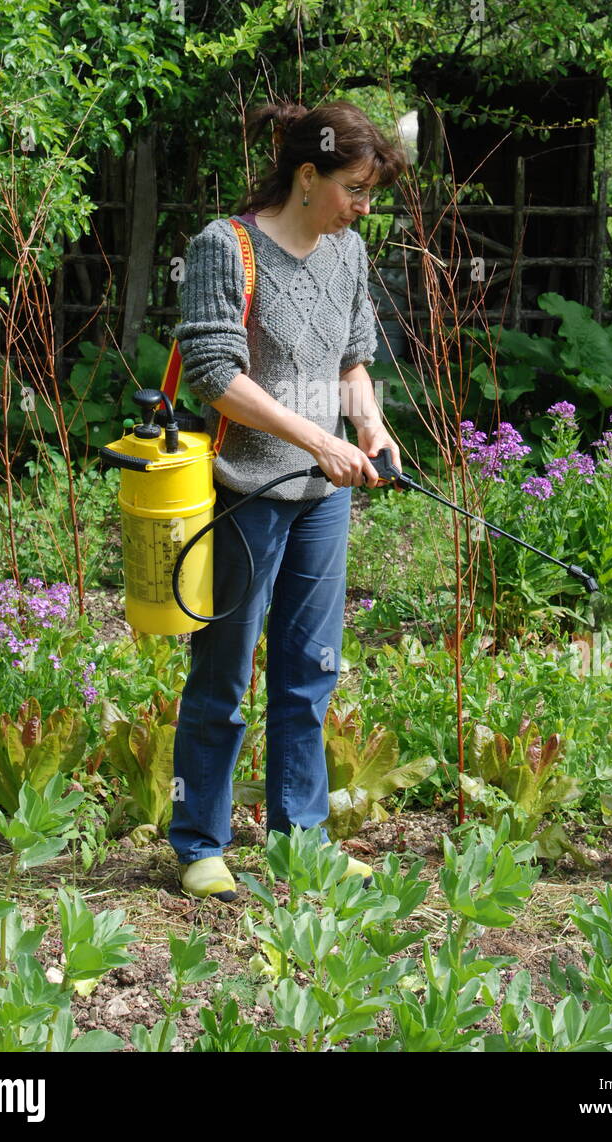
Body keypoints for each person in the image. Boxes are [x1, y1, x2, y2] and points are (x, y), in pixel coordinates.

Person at [168, 99, 408, 900]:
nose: (364, 207)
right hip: (247, 491)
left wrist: (369, 428)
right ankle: (201, 840)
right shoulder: (224, 248)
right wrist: (317, 440)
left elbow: (351, 363)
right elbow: (215, 375)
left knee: (310, 671)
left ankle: (299, 840)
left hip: (323, 500)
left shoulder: (348, 254)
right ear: (309, 175)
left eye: (371, 195)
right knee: (223, 675)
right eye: (356, 189)